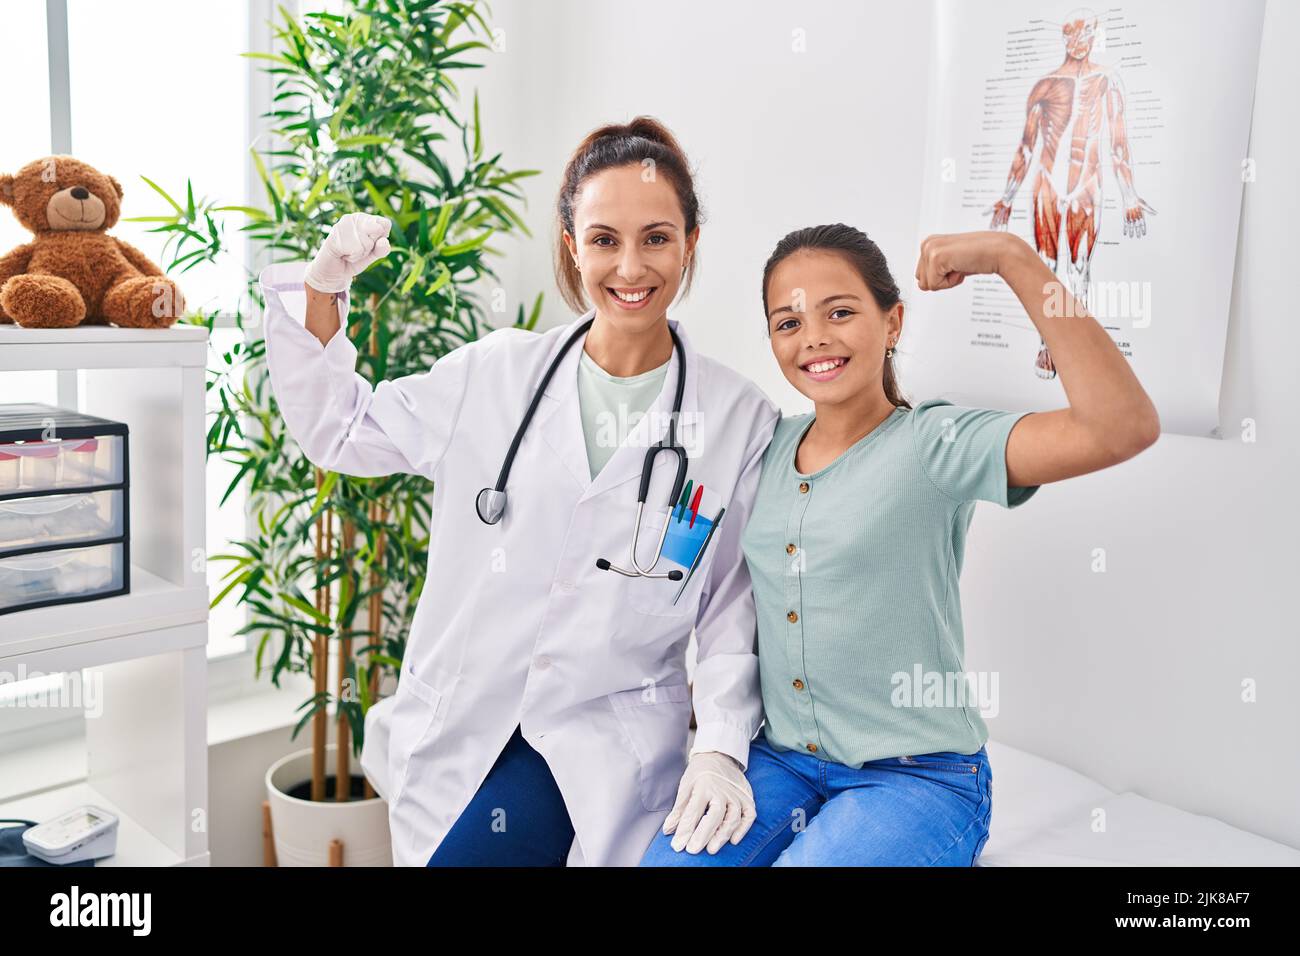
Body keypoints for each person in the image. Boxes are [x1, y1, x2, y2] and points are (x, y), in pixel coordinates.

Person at [259, 117, 779, 866]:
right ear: (572, 244)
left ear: (690, 243)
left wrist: (723, 747)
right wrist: (322, 286)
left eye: (656, 238)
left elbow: (731, 607)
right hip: (467, 719)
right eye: (604, 239)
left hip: (606, 735)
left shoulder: (736, 418)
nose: (630, 266)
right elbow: (340, 429)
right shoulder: (494, 374)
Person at [640, 224, 1159, 865]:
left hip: (917, 779)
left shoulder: (935, 443)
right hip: (782, 764)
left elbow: (1120, 426)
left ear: (893, 323)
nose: (815, 339)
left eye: (840, 312)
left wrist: (1010, 257)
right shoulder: (765, 447)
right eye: (788, 322)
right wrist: (711, 741)